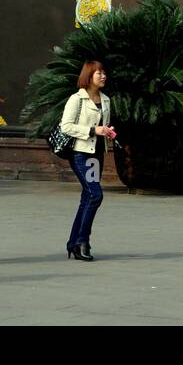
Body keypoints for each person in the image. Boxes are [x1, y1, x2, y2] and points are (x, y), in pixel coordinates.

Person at [59, 60, 116, 261]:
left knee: (87, 197)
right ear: (88, 76)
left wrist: (107, 131)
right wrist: (93, 130)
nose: (103, 76)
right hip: (81, 153)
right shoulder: (77, 99)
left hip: (97, 153)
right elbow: (66, 126)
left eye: (104, 72)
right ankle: (83, 241)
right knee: (95, 195)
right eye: (98, 73)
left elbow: (103, 125)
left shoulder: (106, 99)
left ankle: (73, 243)